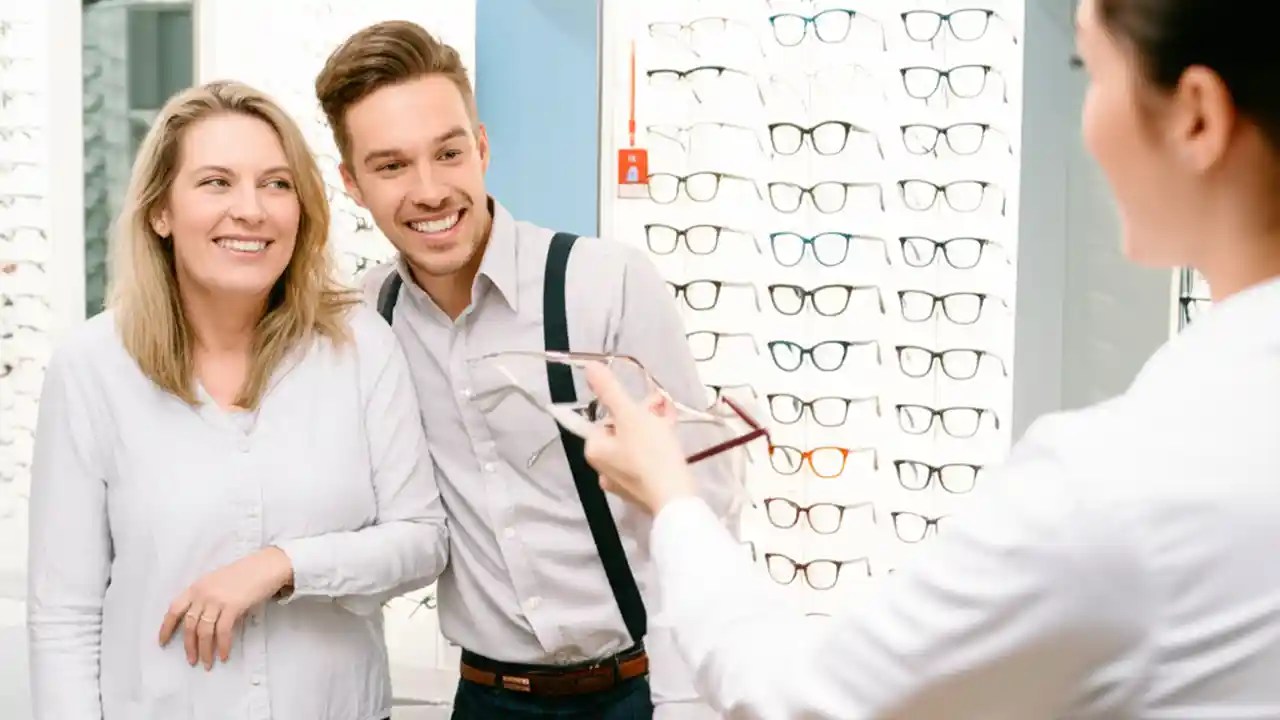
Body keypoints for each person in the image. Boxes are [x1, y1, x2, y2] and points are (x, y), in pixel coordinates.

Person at [579, 0, 1280, 717]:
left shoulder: (1123, 481)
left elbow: (800, 700)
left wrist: (671, 499)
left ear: (1196, 115)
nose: (1087, 124)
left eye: (1089, 71)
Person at [314, 20, 740, 720]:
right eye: (390, 166)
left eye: (447, 153)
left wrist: (683, 701)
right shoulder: (367, 317)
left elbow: (701, 500)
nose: (428, 190)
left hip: (635, 692)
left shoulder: (606, 284)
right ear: (352, 183)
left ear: (480, 148)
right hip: (484, 699)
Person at [26, 80, 449, 720]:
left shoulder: (359, 343)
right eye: (216, 182)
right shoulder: (92, 368)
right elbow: (64, 614)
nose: (251, 210)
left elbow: (422, 540)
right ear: (160, 212)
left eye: (277, 184)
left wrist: (283, 566)